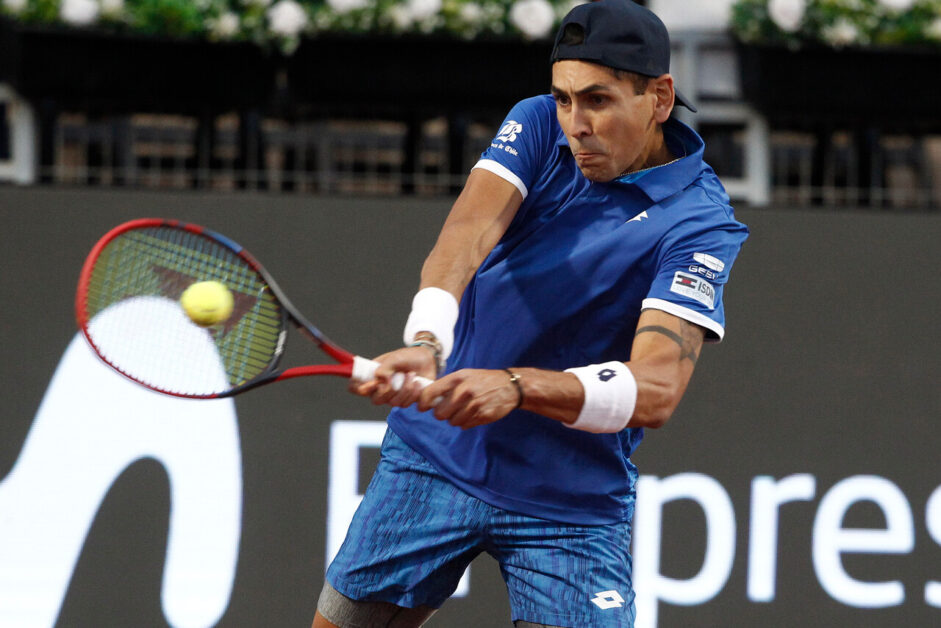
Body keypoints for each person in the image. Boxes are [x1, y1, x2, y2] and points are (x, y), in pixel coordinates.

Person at [314, 1, 749, 626]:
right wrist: (429, 336)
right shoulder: (539, 126)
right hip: (435, 459)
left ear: (659, 97)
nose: (576, 123)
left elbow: (656, 388)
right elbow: (468, 231)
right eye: (564, 97)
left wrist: (516, 388)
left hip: (568, 503)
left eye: (597, 100)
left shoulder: (700, 224)